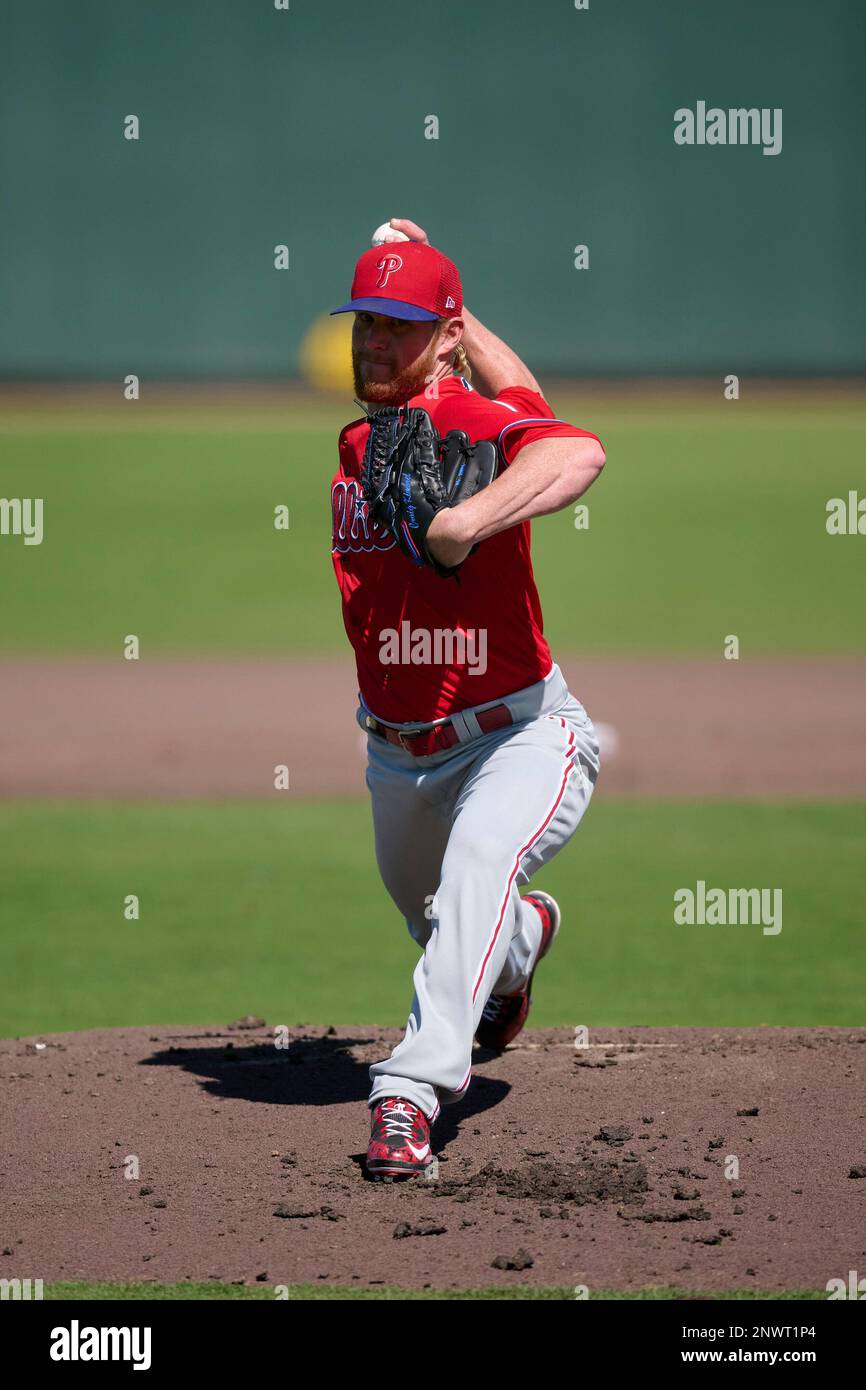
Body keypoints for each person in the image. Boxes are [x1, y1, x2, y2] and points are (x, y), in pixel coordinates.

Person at [329, 217, 605, 1180]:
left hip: (522, 735)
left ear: (445, 341)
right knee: (449, 918)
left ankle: (407, 1095)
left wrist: (462, 525)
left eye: (400, 326)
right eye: (367, 321)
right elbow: (521, 381)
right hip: (396, 760)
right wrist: (446, 304)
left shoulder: (470, 425)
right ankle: (522, 940)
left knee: (482, 862)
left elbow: (576, 453)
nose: (374, 341)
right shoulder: (365, 440)